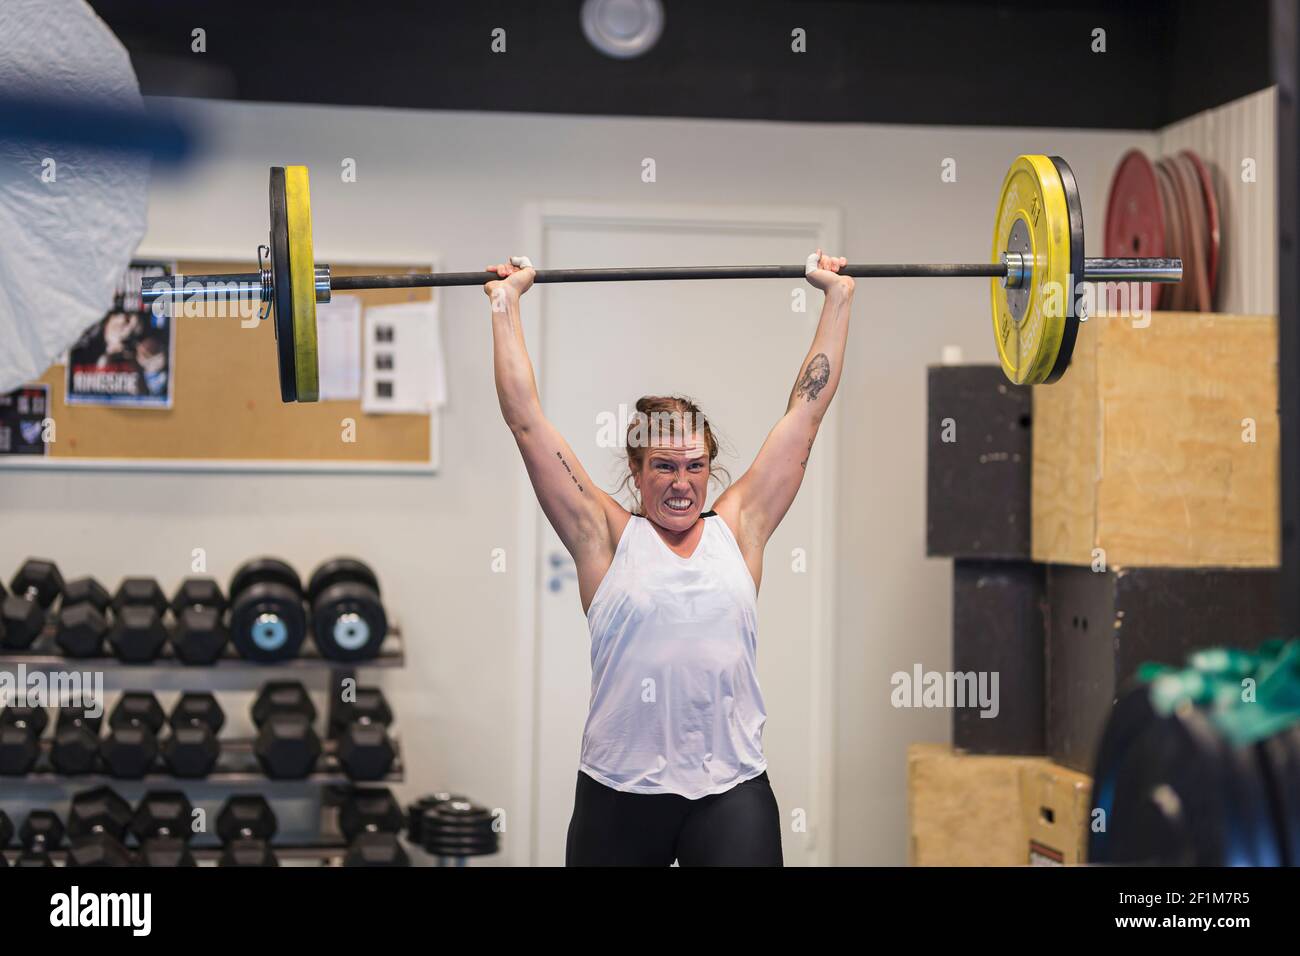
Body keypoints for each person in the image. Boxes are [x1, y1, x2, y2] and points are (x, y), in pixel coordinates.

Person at [486, 250, 854, 865]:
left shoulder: (740, 529)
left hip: (730, 791)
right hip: (620, 792)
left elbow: (807, 412)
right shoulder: (602, 537)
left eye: (694, 466)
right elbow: (527, 423)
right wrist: (506, 305)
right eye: (663, 467)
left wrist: (838, 298)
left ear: (710, 467)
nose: (681, 483)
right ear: (636, 469)